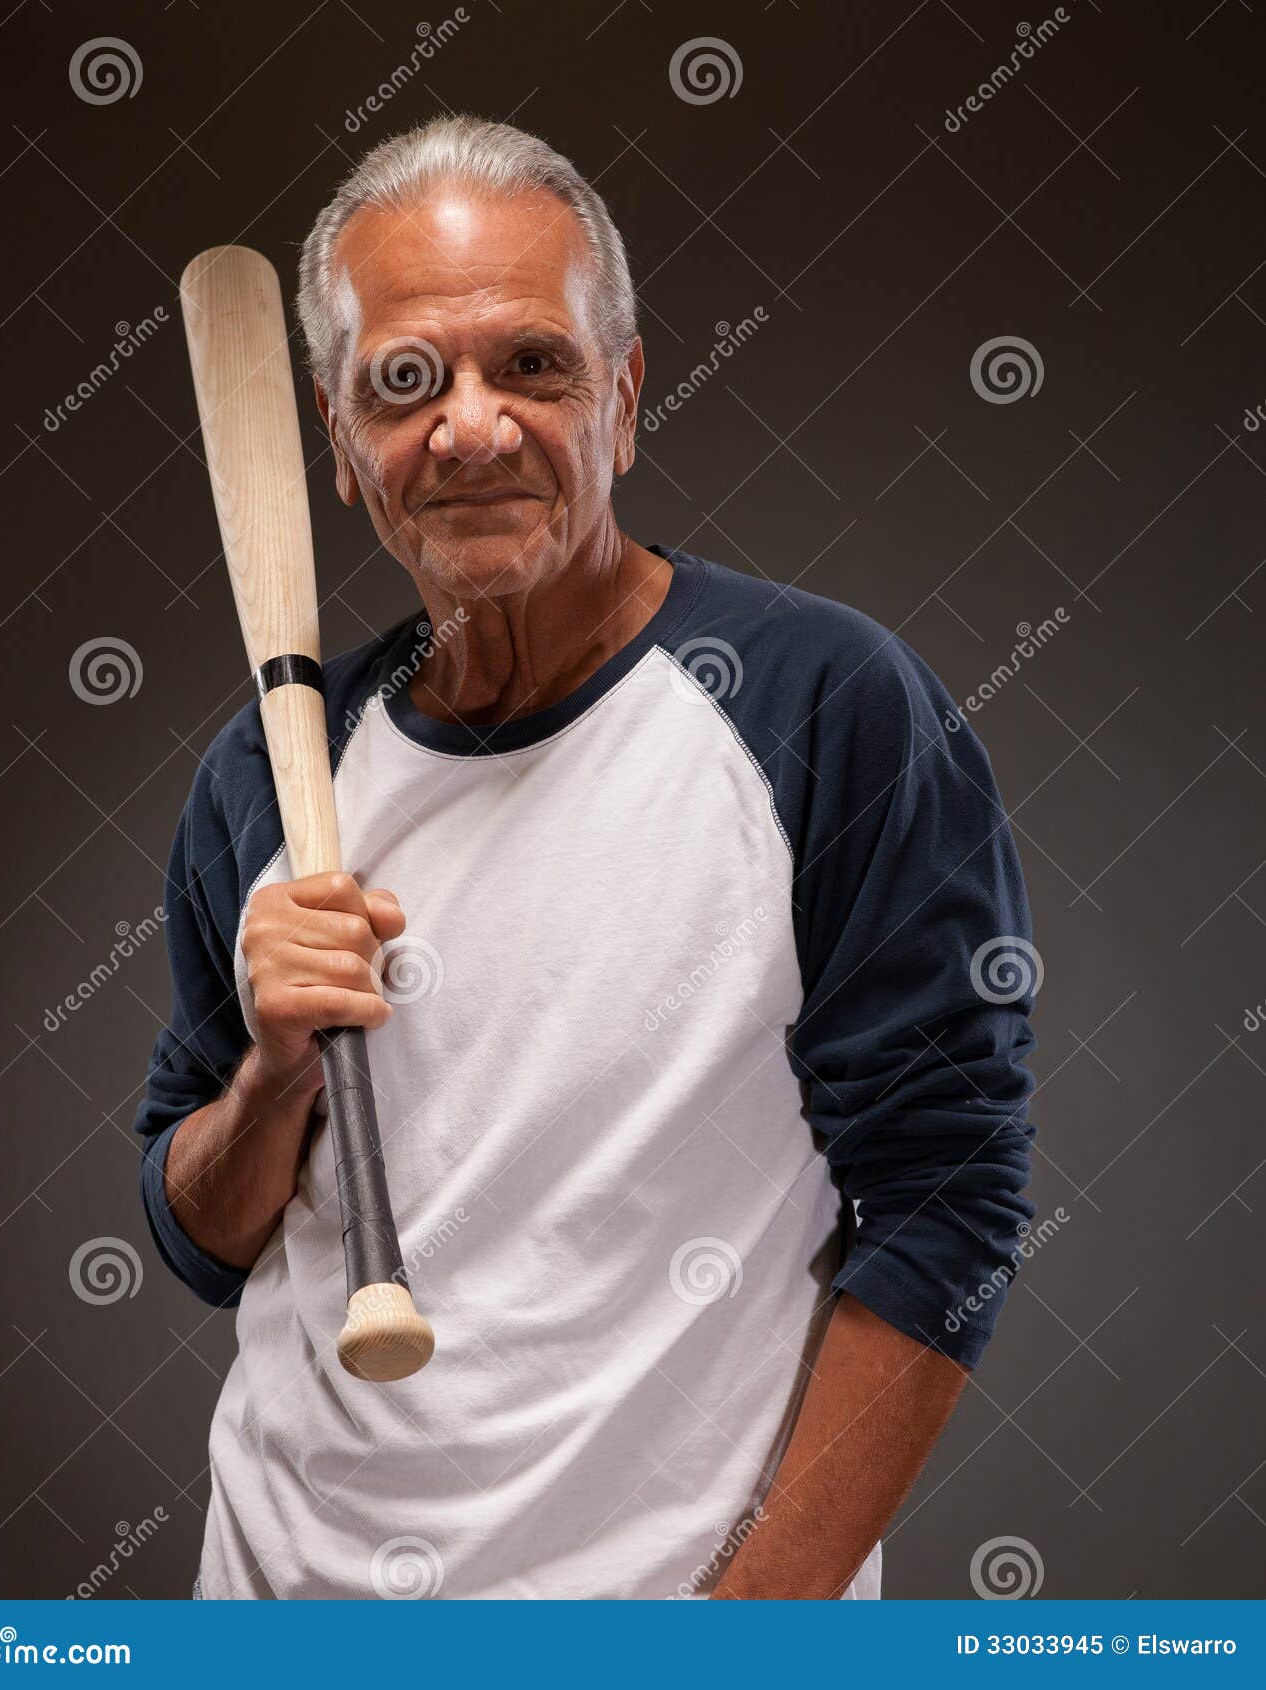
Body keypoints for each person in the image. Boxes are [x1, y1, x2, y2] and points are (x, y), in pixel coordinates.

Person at [134, 115, 1036, 1600]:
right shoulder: (270, 768)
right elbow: (198, 1236)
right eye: (404, 381)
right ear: (342, 449)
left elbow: (951, 1208)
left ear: (622, 398)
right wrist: (274, 1074)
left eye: (532, 365)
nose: (470, 427)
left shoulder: (823, 709)